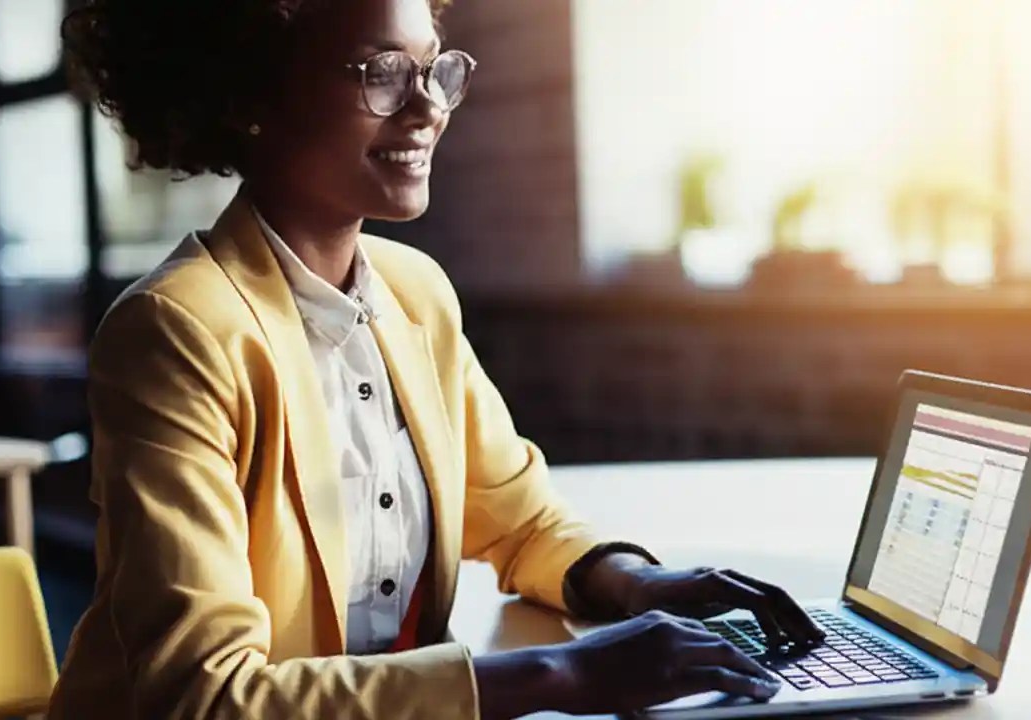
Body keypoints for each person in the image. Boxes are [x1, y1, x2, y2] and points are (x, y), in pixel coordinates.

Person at [49, 0, 824, 718]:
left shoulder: (416, 292)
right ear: (250, 95)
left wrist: (636, 581)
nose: (429, 109)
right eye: (382, 73)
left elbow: (516, 518)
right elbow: (204, 694)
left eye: (436, 69)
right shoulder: (175, 331)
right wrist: (563, 673)